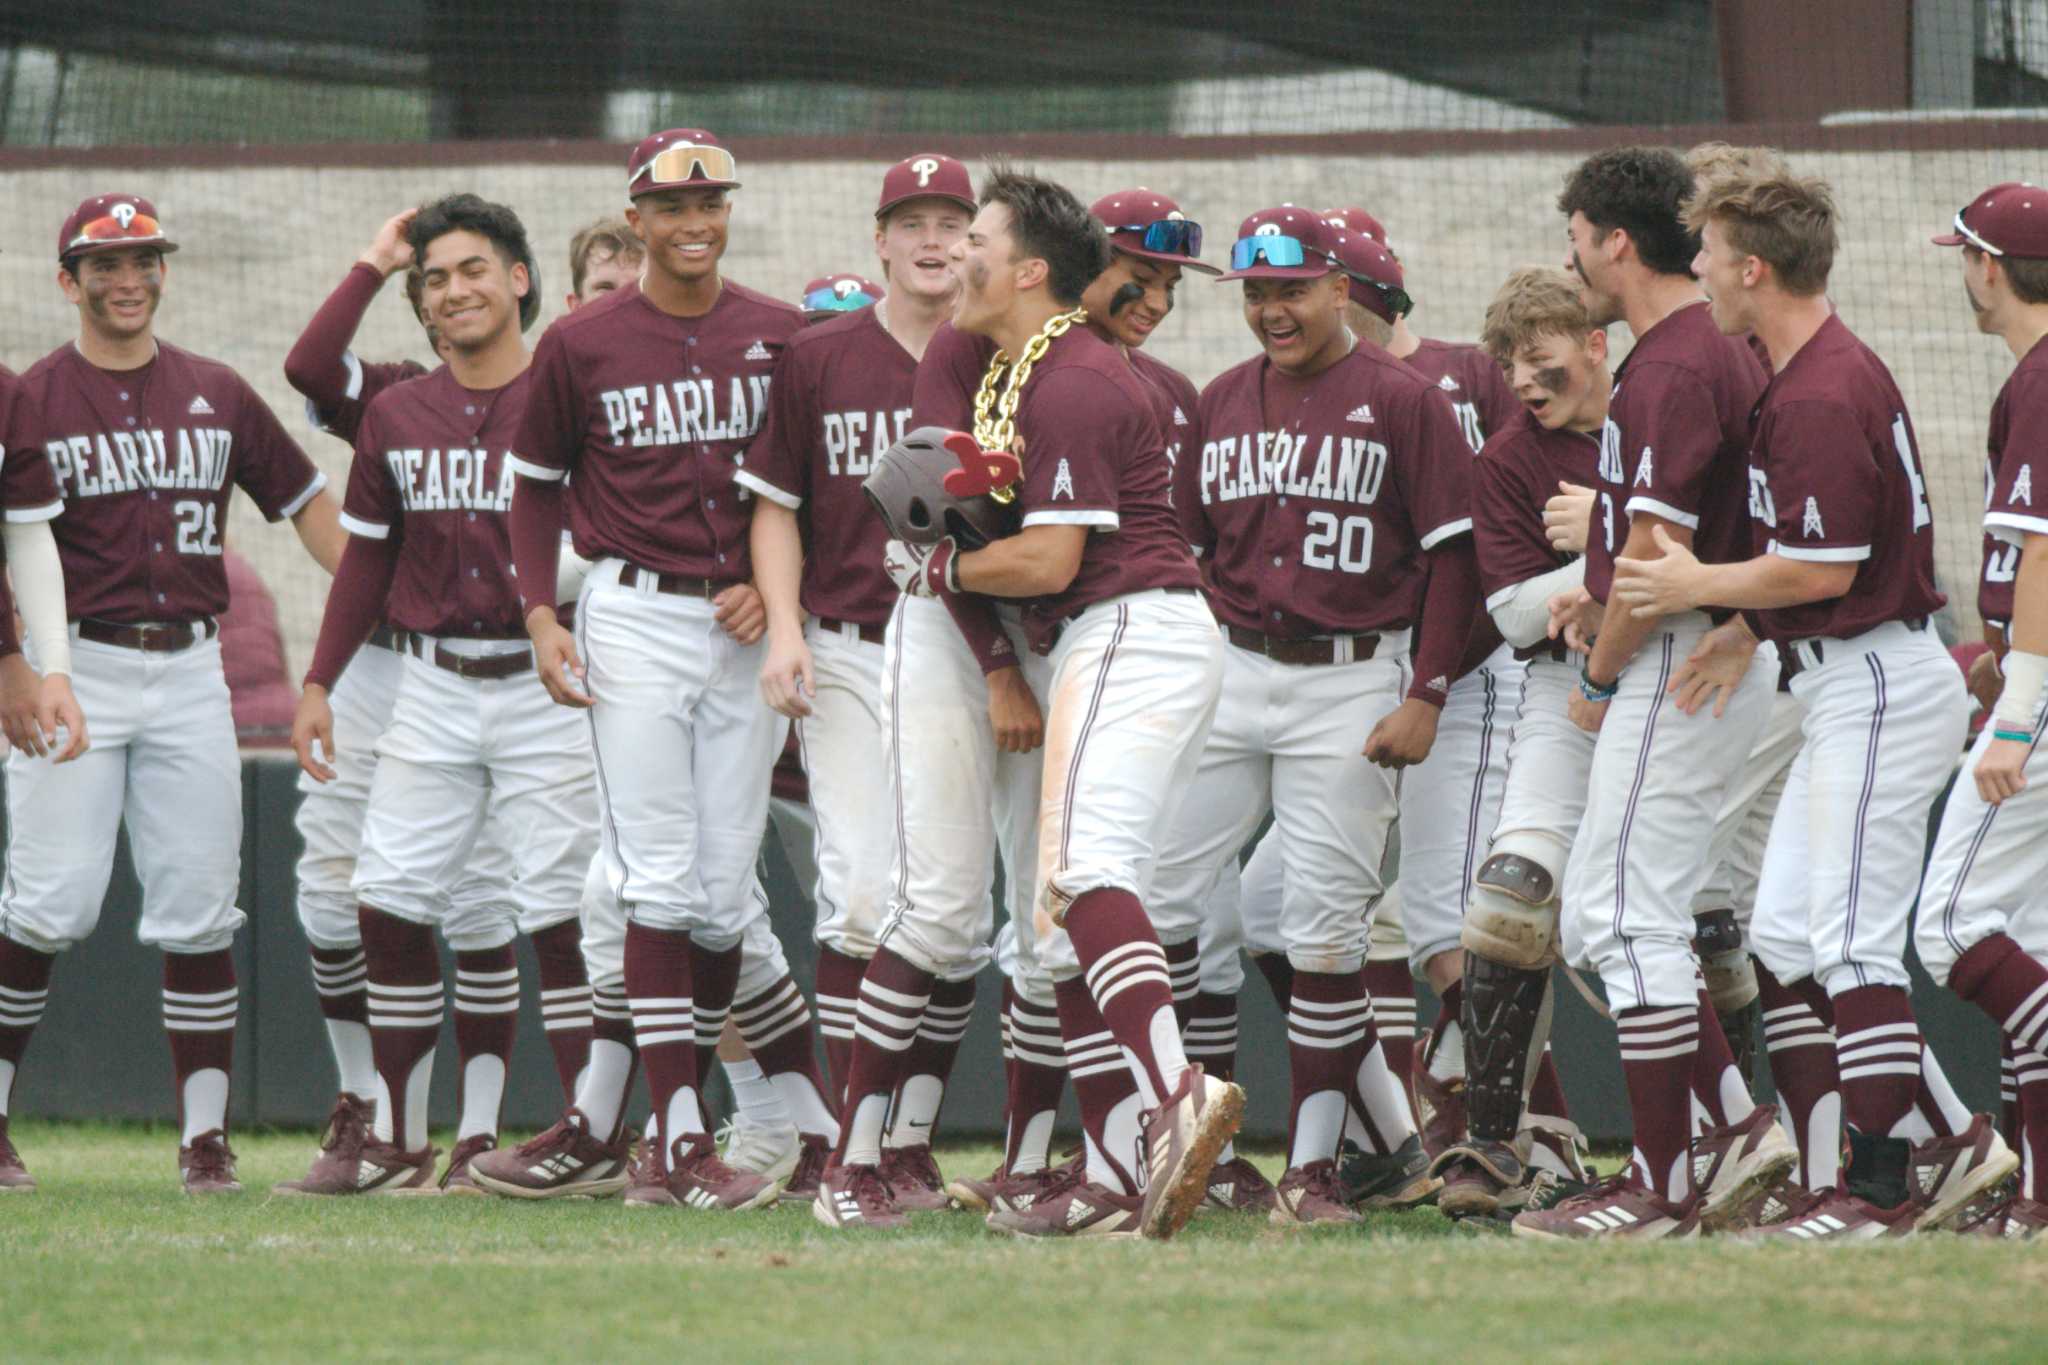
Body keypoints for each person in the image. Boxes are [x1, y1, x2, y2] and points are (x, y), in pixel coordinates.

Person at [1605, 164, 2015, 1239]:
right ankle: (1952, 1145)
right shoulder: (1801, 373)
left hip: (1875, 676)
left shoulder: (1820, 389)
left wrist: (1694, 584)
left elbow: (1821, 568)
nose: (1696, 270)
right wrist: (1733, 612)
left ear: (1752, 268)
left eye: (1708, 253)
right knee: (1786, 935)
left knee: (1849, 943)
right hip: (1842, 677)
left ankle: (1875, 1188)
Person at [877, 168, 1237, 1240]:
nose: (959, 254)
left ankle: (1175, 1098)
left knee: (1082, 872)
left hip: (1130, 628)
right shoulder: (1019, 366)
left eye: (978, 239)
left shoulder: (1074, 379)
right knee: (1065, 902)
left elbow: (1045, 561)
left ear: (1031, 271)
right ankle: (1116, 1174)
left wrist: (938, 570)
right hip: (1111, 635)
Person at [0, 192, 345, 1194]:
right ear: (67, 281)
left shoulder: (217, 389)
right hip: (77, 663)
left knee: (199, 908)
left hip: (192, 666)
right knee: (50, 903)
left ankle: (204, 1140)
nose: (128, 280)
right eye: (104, 265)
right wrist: (21, 663)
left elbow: (307, 506)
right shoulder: (33, 395)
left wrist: (383, 594)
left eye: (143, 261)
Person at [280, 194, 599, 1195]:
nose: (454, 290)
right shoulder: (396, 410)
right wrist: (320, 679)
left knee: (559, 912)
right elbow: (367, 560)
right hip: (430, 679)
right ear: (418, 304)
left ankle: (586, 1134)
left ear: (519, 279)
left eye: (472, 270)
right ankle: (399, 1141)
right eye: (434, 279)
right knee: (387, 899)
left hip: (549, 681)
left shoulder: (571, 392)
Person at [503, 128, 796, 1212]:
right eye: (671, 207)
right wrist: (541, 615)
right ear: (637, 219)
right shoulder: (580, 340)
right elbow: (533, 485)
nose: (693, 222)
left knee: (720, 893)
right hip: (631, 612)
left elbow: (806, 491)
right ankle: (676, 1139)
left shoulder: (781, 332)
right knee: (658, 879)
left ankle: (671, 1134)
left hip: (743, 624)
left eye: (709, 202)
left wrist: (779, 588)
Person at [1504, 149, 1793, 1241]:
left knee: (1625, 917)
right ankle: (1730, 1133)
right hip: (1703, 644)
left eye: (1577, 236)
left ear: (1615, 240)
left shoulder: (1674, 361)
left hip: (1682, 653)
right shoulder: (1692, 351)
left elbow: (1651, 554)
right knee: (1612, 915)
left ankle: (1663, 1185)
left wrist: (1595, 669)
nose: (1571, 257)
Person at [742, 152, 978, 1213]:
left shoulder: (996, 357)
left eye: (951, 222)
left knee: (954, 910)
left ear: (976, 241)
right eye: (911, 222)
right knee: (861, 898)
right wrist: (785, 629)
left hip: (966, 646)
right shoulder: (819, 355)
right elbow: (774, 505)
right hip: (846, 645)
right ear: (879, 240)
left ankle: (911, 1142)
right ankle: (857, 1143)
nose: (932, 240)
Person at [1427, 266, 1612, 1220]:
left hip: (1687, 679)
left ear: (1596, 344)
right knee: (1507, 900)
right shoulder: (1506, 458)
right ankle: (1498, 1144)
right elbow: (1512, 612)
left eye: (1544, 362)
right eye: (1511, 368)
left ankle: (1725, 1140)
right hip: (1559, 690)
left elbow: (1721, 543)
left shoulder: (1658, 417)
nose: (1528, 385)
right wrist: (1606, 567)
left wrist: (1605, 541)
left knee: (1706, 921)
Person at [1912, 181, 2048, 1239]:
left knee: (1951, 926)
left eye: (1963, 255)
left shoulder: (2042, 376)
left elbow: (2044, 552)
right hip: (2032, 672)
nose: (1961, 272)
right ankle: (2039, 1193)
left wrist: (2015, 712)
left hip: (2043, 695)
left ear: (1989, 266)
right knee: (2027, 935)